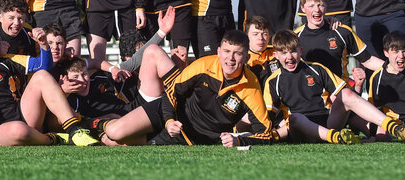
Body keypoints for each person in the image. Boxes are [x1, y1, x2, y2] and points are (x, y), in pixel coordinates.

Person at [98, 30, 276, 147]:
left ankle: (100, 132)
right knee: (114, 132)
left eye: (237, 53)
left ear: (246, 57)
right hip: (170, 114)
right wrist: (169, 121)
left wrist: (238, 140)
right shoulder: (203, 65)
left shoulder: (251, 88)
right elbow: (171, 92)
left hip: (190, 139)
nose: (231, 59)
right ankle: (97, 123)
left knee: (111, 141)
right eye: (227, 52)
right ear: (219, 51)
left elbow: (266, 134)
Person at [0, 15, 99, 146]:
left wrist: (44, 45)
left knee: (42, 75)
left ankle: (75, 131)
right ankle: (54, 138)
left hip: (24, 114)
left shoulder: (6, 61)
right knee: (18, 130)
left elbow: (44, 65)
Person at [264, 30, 405, 145]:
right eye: (284, 53)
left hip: (328, 123)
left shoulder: (317, 69)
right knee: (295, 118)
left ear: (301, 51)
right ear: (276, 55)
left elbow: (346, 96)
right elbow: (268, 119)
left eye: (293, 51)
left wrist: (358, 85)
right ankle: (339, 138)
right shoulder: (273, 81)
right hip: (301, 131)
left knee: (346, 94)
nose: (289, 57)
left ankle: (394, 128)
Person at [294, 0, 382, 82]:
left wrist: (393, 68)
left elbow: (368, 60)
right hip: (311, 95)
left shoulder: (342, 31)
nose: (317, 10)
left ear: (326, 6)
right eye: (311, 6)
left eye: (320, 5)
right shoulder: (295, 37)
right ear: (302, 8)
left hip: (341, 93)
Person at [245, 16, 278, 85]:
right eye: (255, 34)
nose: (260, 38)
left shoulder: (278, 55)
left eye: (264, 34)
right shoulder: (242, 59)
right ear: (247, 36)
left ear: (269, 36)